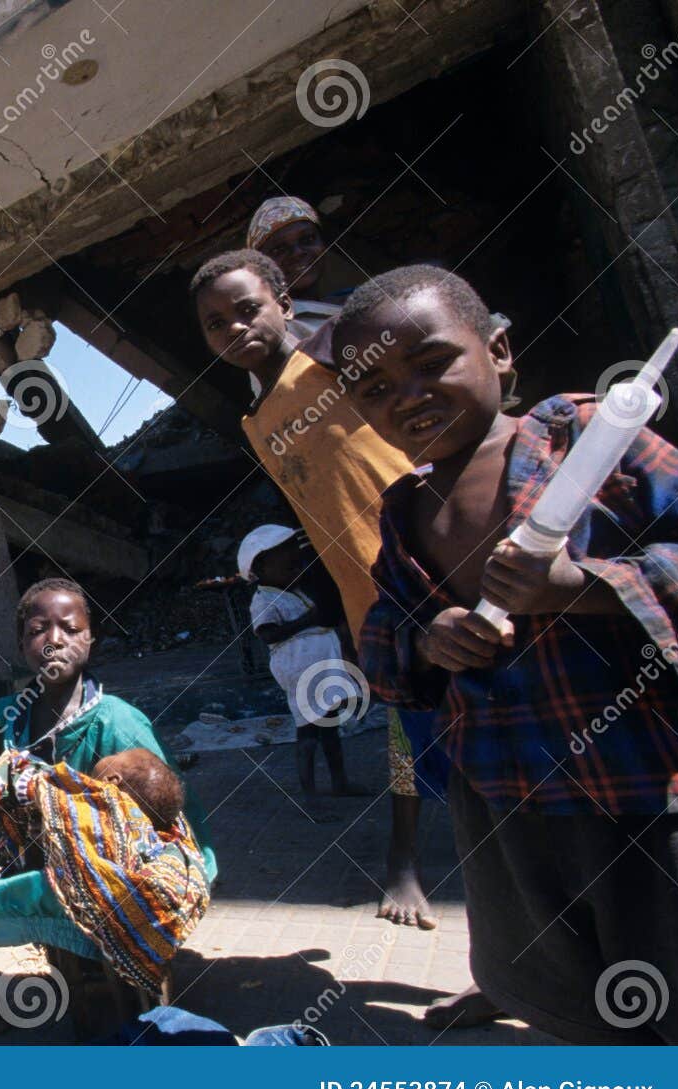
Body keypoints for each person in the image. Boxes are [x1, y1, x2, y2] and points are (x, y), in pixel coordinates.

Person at [343, 264, 678, 1044]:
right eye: (375, 388)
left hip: (638, 787)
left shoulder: (590, 438)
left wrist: (581, 586)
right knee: (560, 987)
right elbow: (383, 639)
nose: (409, 396)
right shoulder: (403, 512)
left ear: (497, 350)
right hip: (502, 801)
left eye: (432, 363)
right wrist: (429, 640)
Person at [191, 249, 450, 935]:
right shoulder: (256, 423)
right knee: (411, 733)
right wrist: (343, 617)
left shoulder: (334, 356)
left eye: (248, 309)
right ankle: (408, 861)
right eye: (216, 324)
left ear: (284, 303)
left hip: (435, 565)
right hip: (375, 603)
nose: (235, 328)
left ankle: (455, 864)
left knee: (496, 724)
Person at [0, 578, 218, 1044]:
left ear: (91, 638)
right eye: (39, 629)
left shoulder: (119, 722)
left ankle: (136, 1016)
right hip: (10, 850)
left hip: (92, 864)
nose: (55, 639)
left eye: (71, 628)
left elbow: (165, 810)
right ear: (21, 643)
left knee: (106, 886)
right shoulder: (4, 716)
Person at [240, 524, 368, 797]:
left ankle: (339, 783)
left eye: (297, 565)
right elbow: (268, 634)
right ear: (261, 568)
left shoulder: (294, 590)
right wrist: (308, 620)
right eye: (288, 566)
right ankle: (309, 794)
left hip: (320, 667)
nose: (296, 570)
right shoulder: (264, 600)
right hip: (300, 670)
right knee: (308, 731)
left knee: (329, 726)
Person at [246, 195, 346, 335]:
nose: (297, 253)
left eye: (307, 239)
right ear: (261, 267)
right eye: (279, 250)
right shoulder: (278, 332)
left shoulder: (347, 301)